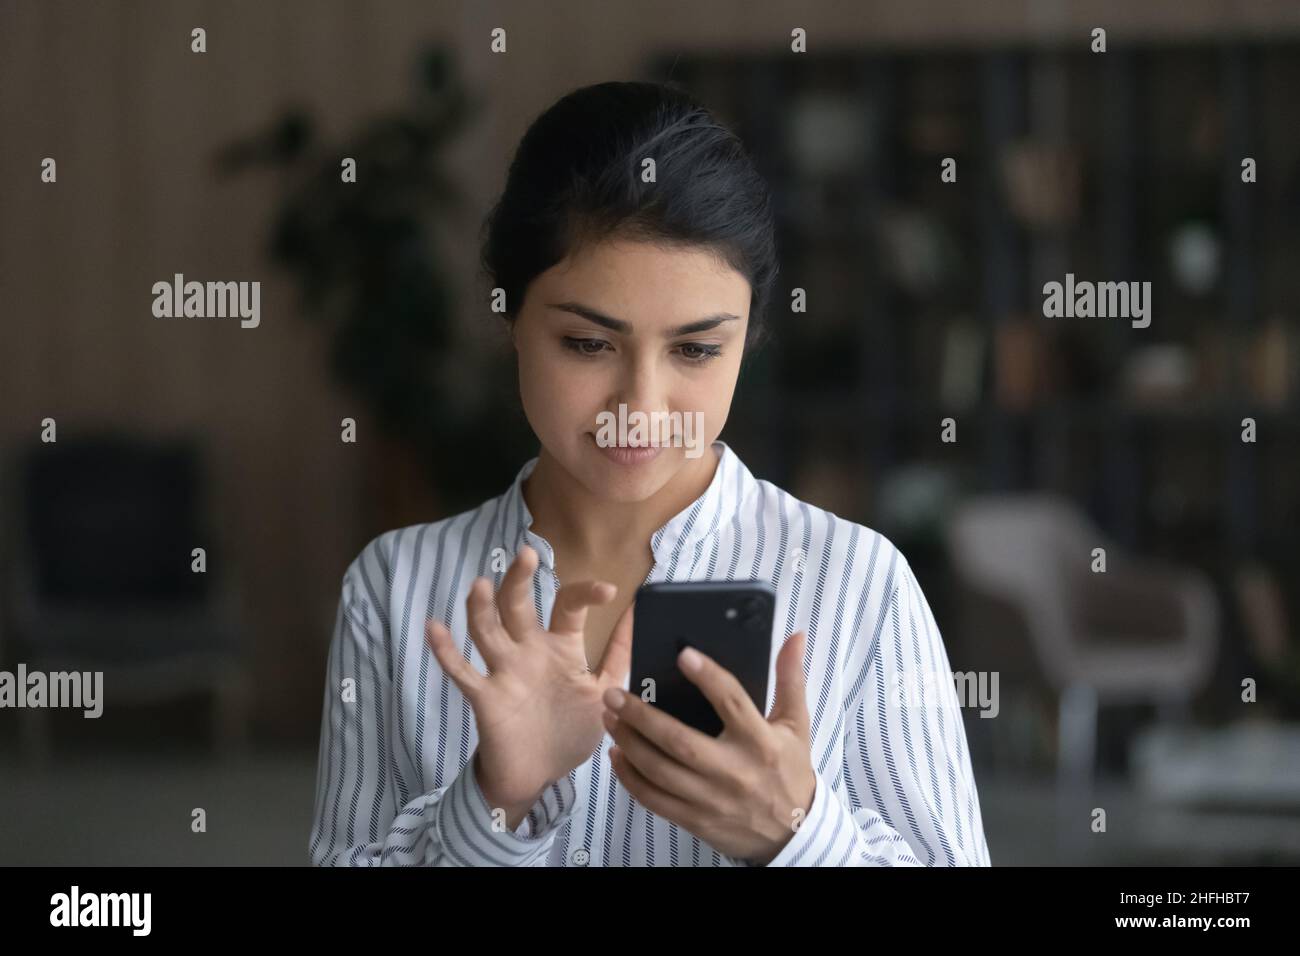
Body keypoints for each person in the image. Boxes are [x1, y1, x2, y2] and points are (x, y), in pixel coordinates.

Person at [309, 80, 990, 867]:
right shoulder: (395, 590)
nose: (641, 405)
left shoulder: (861, 586)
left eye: (696, 350)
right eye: (589, 344)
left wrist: (796, 834)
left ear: (748, 340)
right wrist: (497, 801)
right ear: (511, 321)